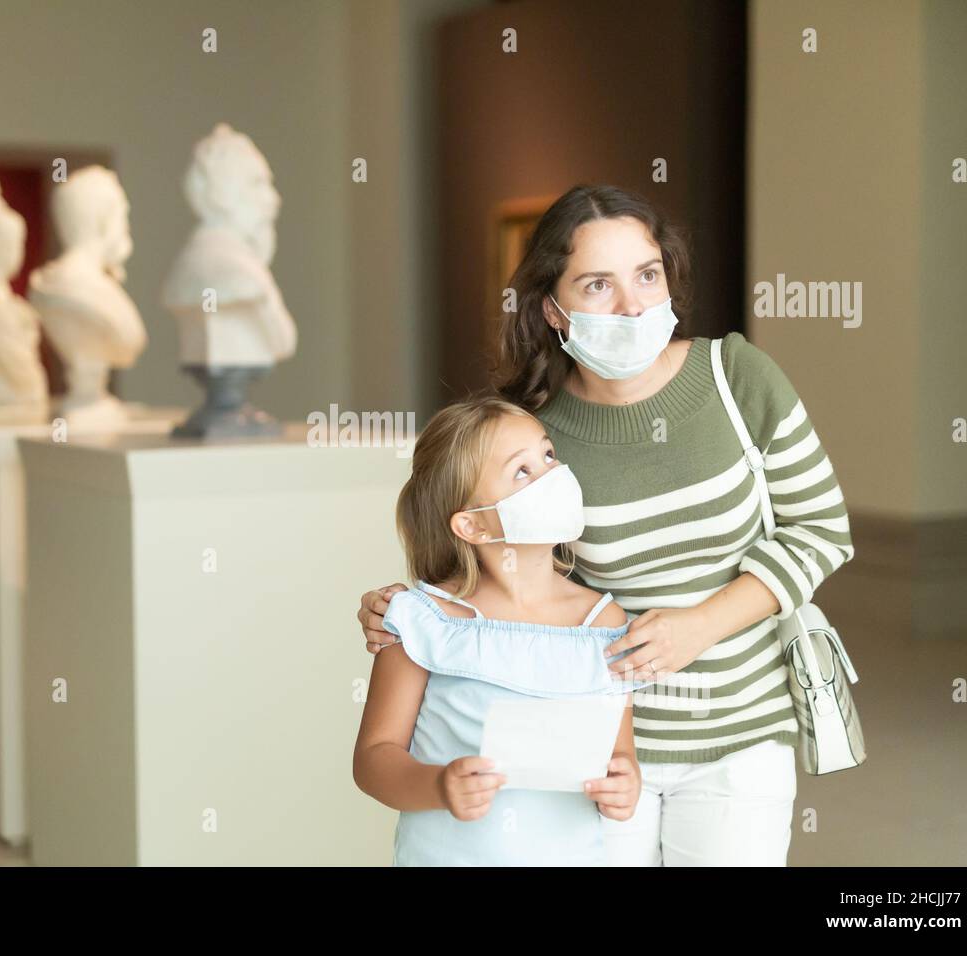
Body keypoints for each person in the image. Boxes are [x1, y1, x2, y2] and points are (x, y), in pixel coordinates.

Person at [358, 184, 854, 866]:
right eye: (598, 285)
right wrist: (406, 608)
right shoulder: (535, 431)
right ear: (553, 309)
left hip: (739, 735)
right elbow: (515, 569)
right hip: (589, 749)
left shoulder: (739, 378)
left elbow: (821, 530)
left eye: (647, 275)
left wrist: (700, 625)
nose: (633, 305)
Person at [353, 397, 654, 866]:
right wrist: (437, 785)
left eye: (548, 455)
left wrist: (625, 785)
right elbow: (373, 759)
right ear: (472, 525)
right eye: (522, 471)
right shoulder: (422, 621)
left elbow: (619, 755)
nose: (552, 475)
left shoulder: (607, 626)